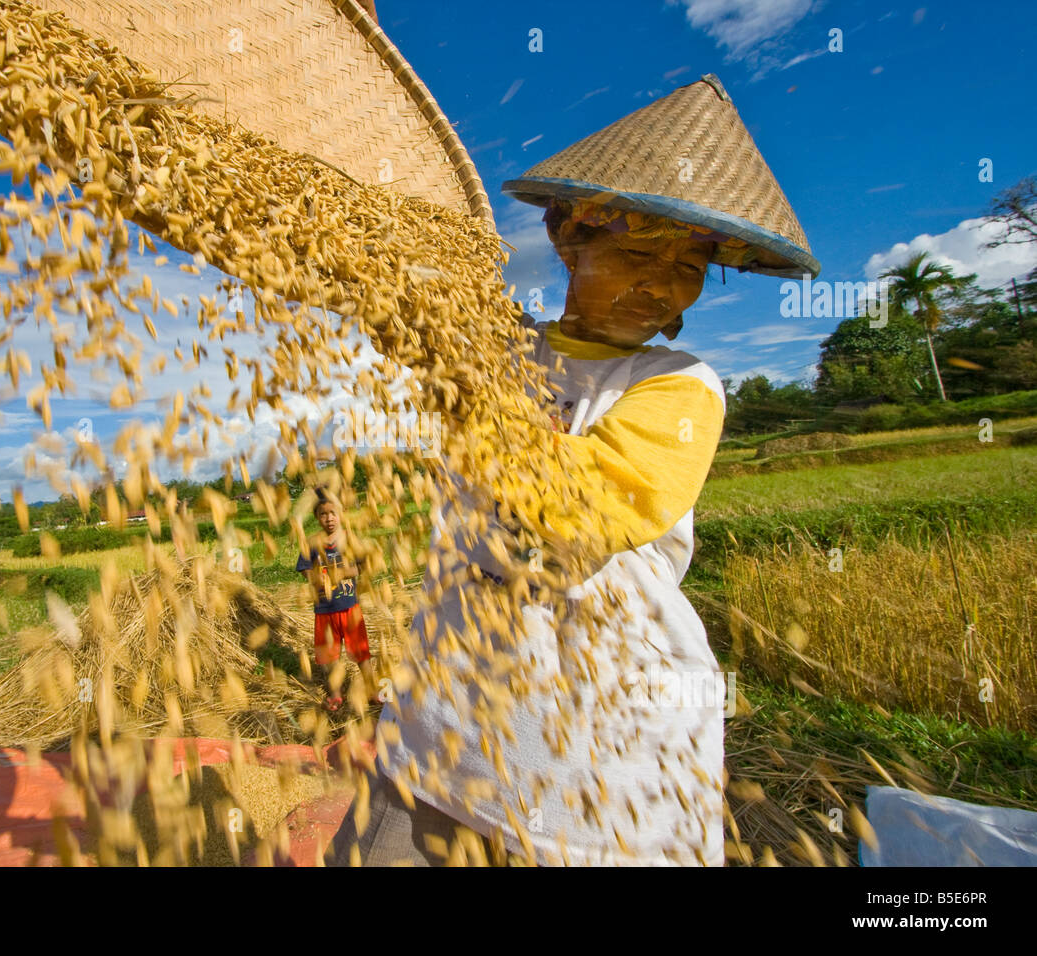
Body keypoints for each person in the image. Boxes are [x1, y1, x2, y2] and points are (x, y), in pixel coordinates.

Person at [327, 74, 820, 866]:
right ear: (567, 240)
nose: (658, 284)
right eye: (634, 253)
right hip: (450, 713)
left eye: (688, 266)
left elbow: (579, 509)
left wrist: (467, 371)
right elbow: (375, 291)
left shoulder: (679, 386)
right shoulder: (498, 345)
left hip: (605, 735)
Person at [296, 489, 377, 713]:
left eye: (333, 513)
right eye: (323, 514)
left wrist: (343, 573)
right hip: (324, 610)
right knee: (330, 657)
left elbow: (362, 565)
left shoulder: (349, 539)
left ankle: (371, 690)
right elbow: (304, 569)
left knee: (361, 652)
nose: (329, 518)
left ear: (341, 514)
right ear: (317, 517)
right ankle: (335, 694)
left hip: (349, 607)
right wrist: (317, 578)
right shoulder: (312, 543)